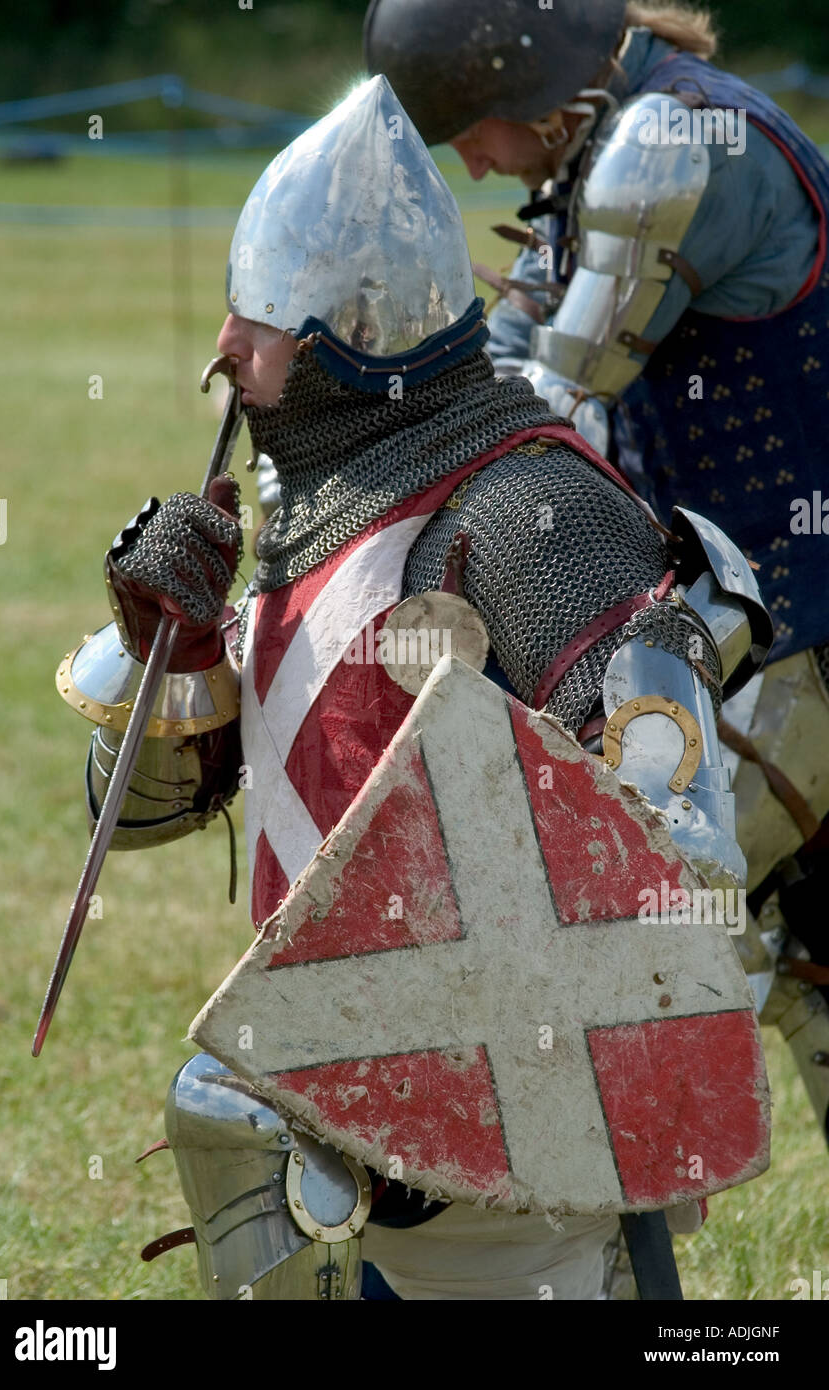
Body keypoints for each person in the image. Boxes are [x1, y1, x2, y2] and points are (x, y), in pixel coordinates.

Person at [57, 75, 768, 1299]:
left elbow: (674, 850)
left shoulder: (527, 513)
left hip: (519, 1180)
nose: (226, 347)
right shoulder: (311, 520)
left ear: (354, 338)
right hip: (353, 1141)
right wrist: (173, 657)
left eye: (259, 321)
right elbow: (134, 817)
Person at [364, 0, 829, 1154]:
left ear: (544, 89)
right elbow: (511, 360)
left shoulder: (668, 152)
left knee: (607, 942)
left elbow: (557, 408)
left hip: (792, 628)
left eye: (474, 128)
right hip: (755, 613)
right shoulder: (614, 146)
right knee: (803, 959)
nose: (470, 158)